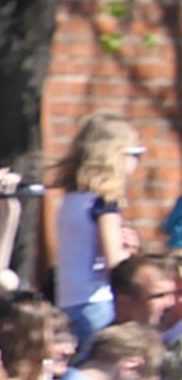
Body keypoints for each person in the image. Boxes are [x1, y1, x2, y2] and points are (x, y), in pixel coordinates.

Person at [40, 116, 147, 340]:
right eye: (135, 154)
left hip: (68, 300)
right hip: (97, 302)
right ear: (116, 156)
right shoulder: (104, 204)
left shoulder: (71, 200)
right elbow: (115, 263)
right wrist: (131, 251)